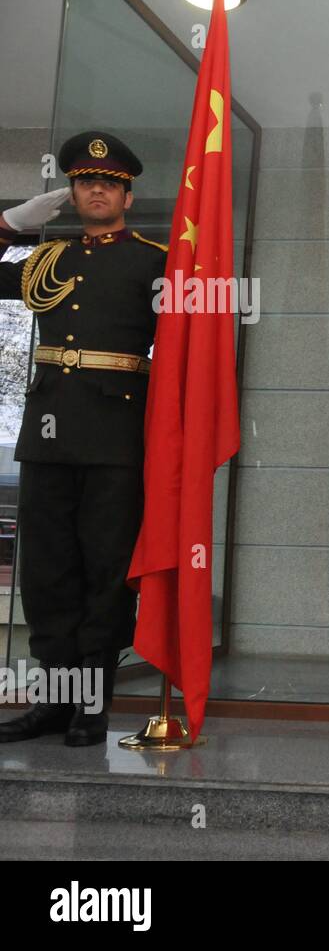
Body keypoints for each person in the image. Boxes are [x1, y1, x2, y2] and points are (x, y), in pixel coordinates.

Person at [0, 131, 166, 746]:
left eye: (110, 182)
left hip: (116, 441)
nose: (97, 189)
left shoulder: (155, 260)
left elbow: (195, 343)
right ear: (70, 191)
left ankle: (90, 707)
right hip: (47, 441)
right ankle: (53, 702)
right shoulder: (48, 260)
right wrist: (11, 223)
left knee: (105, 574)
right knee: (46, 574)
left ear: (127, 192)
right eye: (85, 181)